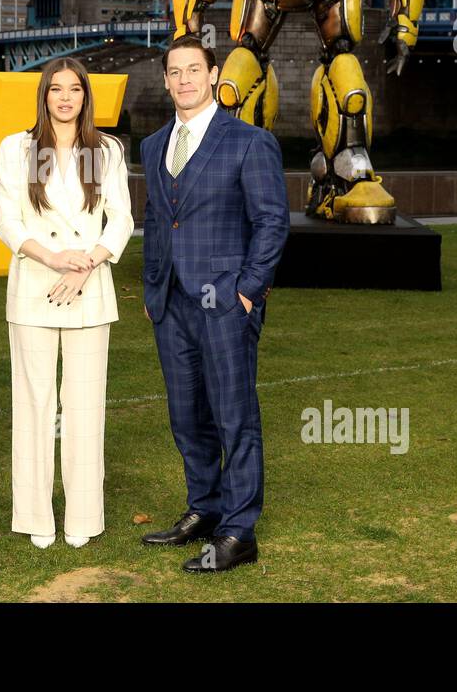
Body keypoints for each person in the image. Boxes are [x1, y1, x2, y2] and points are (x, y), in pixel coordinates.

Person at [139, 33, 289, 573]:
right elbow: (160, 221)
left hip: (226, 303)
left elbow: (272, 222)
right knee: (186, 416)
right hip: (171, 304)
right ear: (166, 80)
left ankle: (238, 531)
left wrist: (247, 292)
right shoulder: (154, 145)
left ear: (212, 74)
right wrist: (152, 285)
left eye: (192, 70)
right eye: (174, 72)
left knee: (234, 417)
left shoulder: (248, 141)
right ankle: (203, 509)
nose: (183, 80)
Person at [0, 57, 134, 550]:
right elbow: (9, 222)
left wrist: (85, 265)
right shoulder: (19, 147)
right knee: (33, 404)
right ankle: (36, 516)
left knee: (84, 407)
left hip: (89, 289)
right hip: (35, 285)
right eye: (56, 89)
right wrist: (56, 259)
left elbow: (120, 219)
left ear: (85, 96)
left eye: (74, 89)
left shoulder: (106, 149)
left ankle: (83, 517)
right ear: (44, 95)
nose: (65, 97)